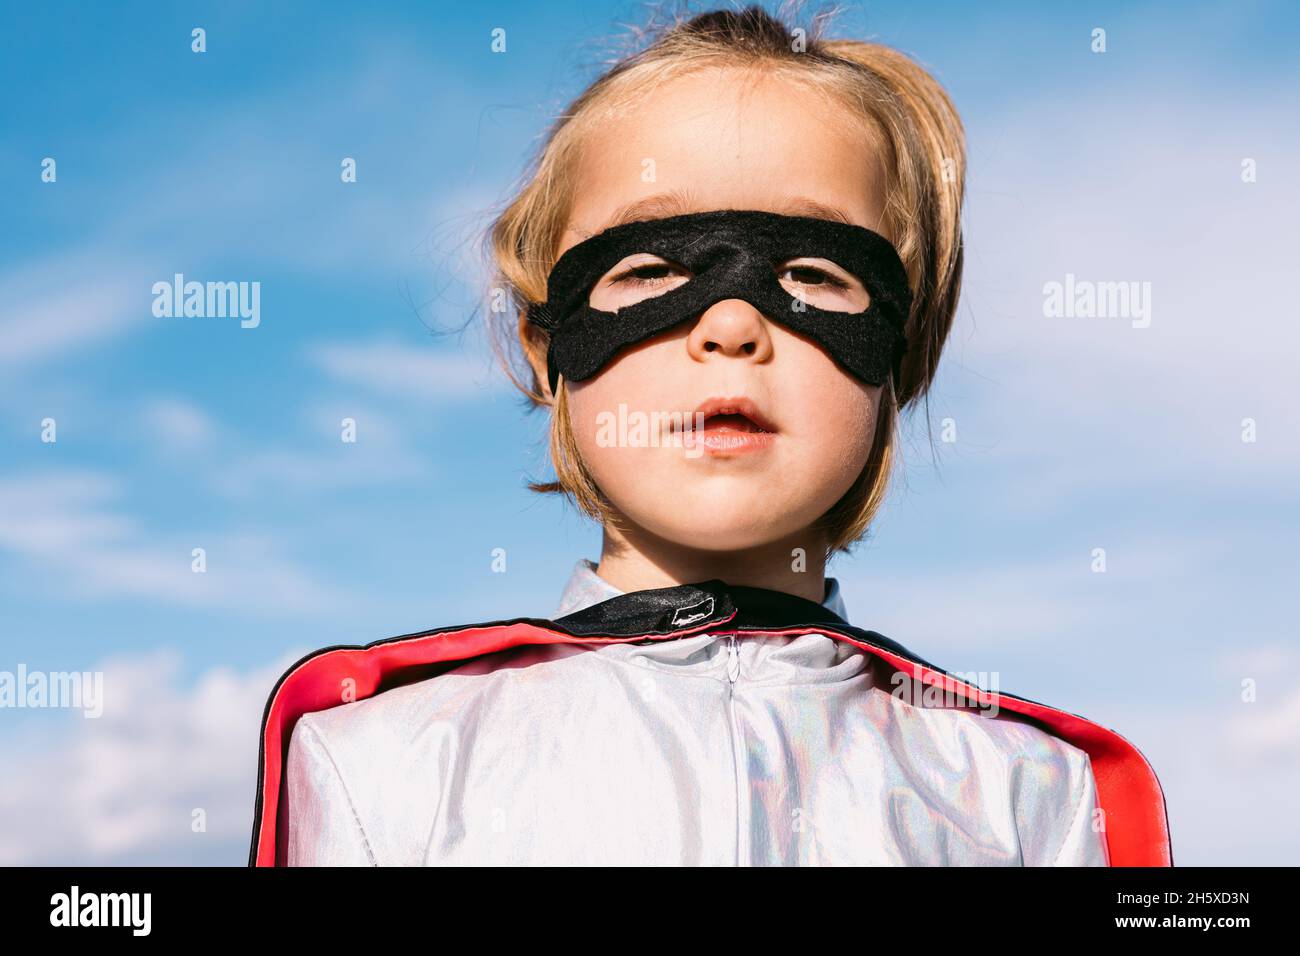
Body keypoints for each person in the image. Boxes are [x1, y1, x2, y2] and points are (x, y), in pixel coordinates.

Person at [248, 5, 1171, 867]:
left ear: (899, 352)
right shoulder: (377, 766)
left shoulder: (1029, 797)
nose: (730, 326)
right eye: (649, 271)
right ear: (547, 348)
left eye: (811, 272)